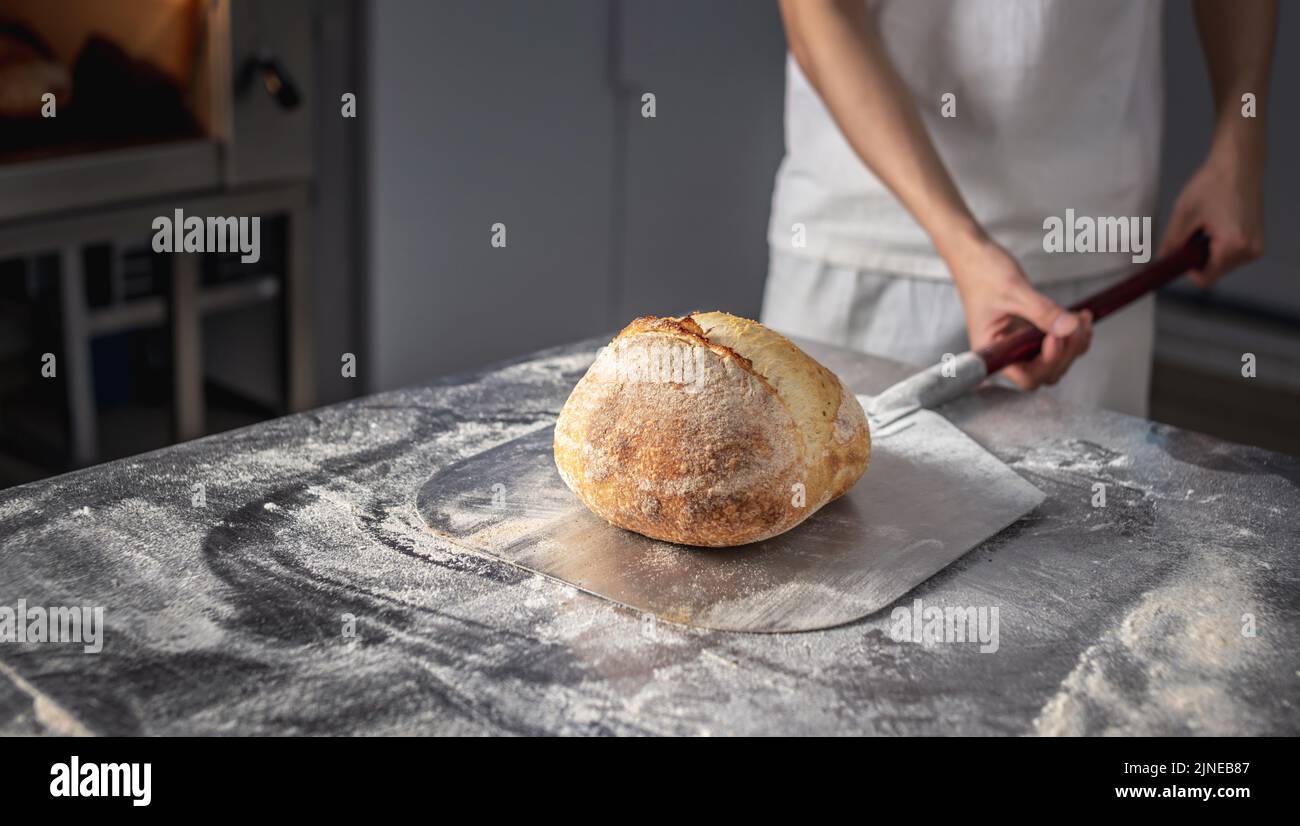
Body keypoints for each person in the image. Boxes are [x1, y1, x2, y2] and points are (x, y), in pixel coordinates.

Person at [763, 0, 1275, 416]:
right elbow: (819, 14)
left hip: (1092, 254)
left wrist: (1240, 142)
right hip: (861, 249)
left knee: (1087, 538)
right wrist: (965, 247)